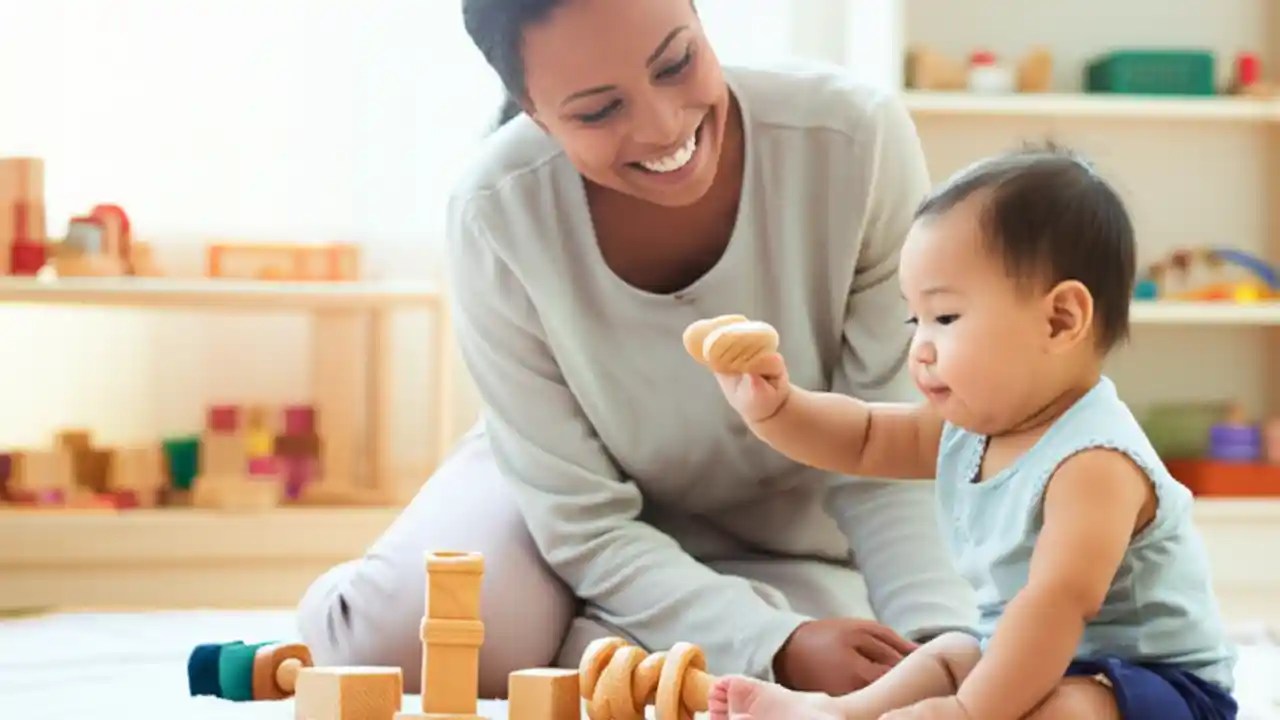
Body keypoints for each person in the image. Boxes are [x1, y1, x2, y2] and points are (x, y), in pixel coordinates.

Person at [295, 0, 979, 697]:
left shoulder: (853, 137)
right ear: (534, 113)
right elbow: (579, 515)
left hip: (803, 526)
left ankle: (595, 634)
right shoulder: (494, 212)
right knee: (407, 638)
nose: (662, 126)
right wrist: (771, 642)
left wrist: (942, 646)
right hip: (564, 481)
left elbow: (893, 453)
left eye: (678, 63)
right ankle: (399, 602)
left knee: (868, 662)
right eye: (597, 112)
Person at [700, 147, 1238, 719]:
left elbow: (1056, 604)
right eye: (917, 319)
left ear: (1059, 321)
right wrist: (777, 409)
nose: (921, 347)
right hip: (1027, 653)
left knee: (1068, 708)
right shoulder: (975, 427)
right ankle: (844, 714)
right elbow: (861, 438)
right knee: (952, 651)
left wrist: (963, 713)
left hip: (1160, 687)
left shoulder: (1096, 464)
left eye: (946, 318)